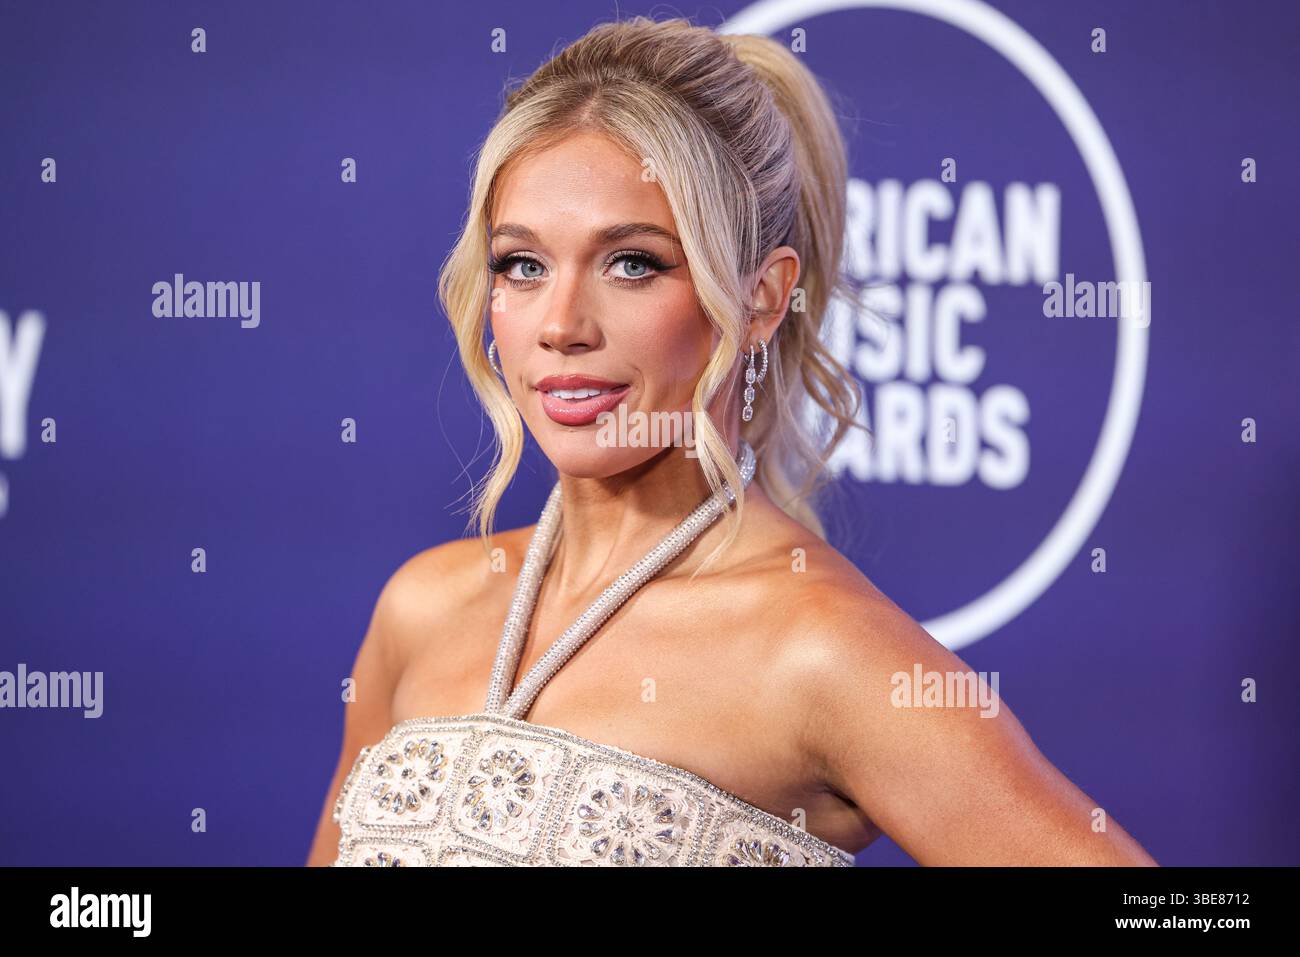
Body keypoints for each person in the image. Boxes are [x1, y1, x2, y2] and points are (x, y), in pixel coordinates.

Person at [306, 15, 1157, 867]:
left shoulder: (821, 649)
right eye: (521, 265)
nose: (560, 325)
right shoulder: (422, 609)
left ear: (759, 298)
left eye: (632, 262)